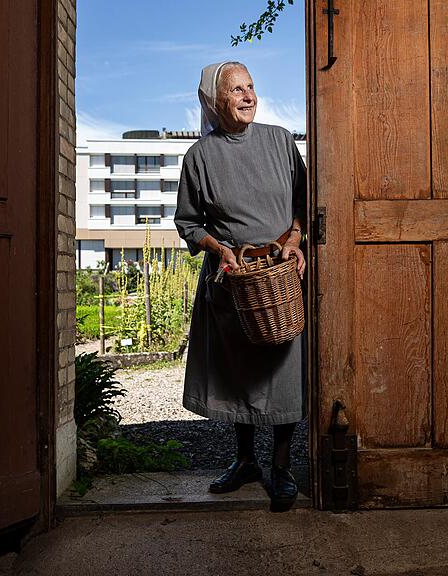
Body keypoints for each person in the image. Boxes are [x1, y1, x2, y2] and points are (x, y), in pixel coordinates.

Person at [174, 61, 307, 510]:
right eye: (236, 90)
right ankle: (246, 460)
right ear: (216, 101)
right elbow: (189, 223)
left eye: (251, 87)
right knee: (240, 372)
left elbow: (305, 207)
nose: (248, 96)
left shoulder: (281, 141)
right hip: (233, 279)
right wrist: (217, 248)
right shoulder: (200, 157)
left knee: (285, 372)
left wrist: (296, 238)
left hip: (280, 279)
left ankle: (282, 464)